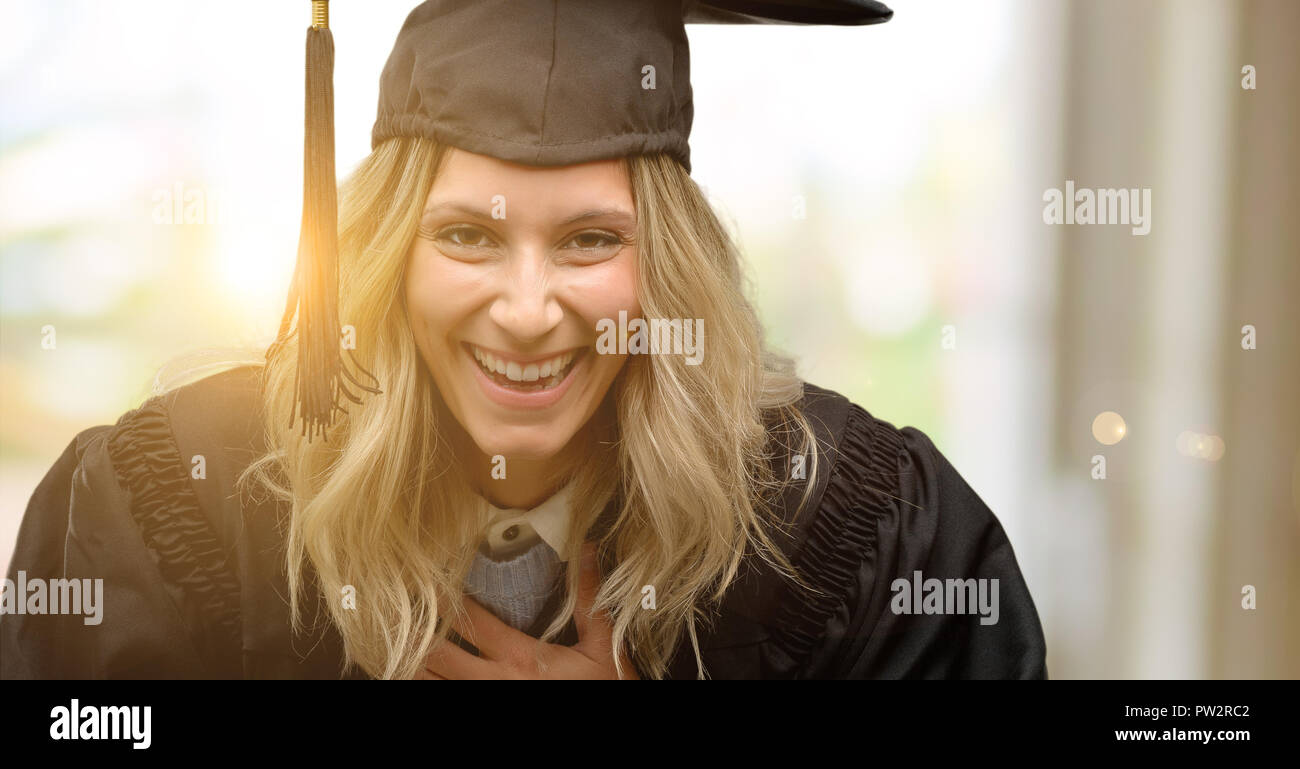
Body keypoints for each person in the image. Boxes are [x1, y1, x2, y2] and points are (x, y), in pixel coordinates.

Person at [0, 0, 1047, 680]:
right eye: (467, 235)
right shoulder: (177, 509)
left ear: (669, 263)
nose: (529, 308)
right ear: (387, 254)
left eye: (591, 239)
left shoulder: (853, 532)